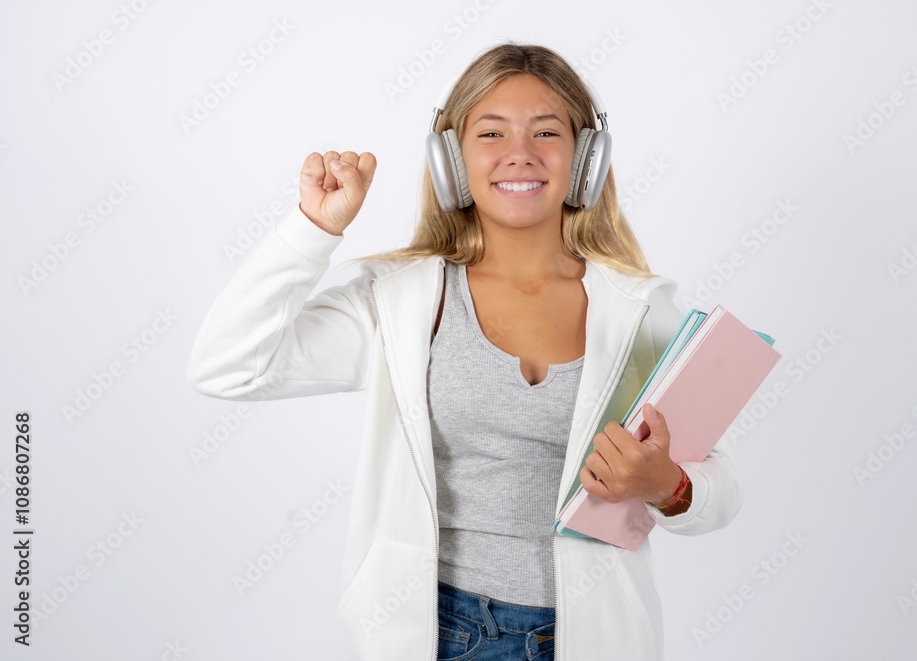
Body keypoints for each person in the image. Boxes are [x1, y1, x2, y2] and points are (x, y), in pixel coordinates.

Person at [186, 42, 742, 661]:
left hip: (588, 638)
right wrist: (313, 229)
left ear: (586, 158)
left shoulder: (642, 312)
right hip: (434, 632)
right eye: (491, 132)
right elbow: (228, 364)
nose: (520, 153)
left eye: (547, 131)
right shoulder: (399, 302)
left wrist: (670, 485)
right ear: (451, 159)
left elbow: (718, 486)